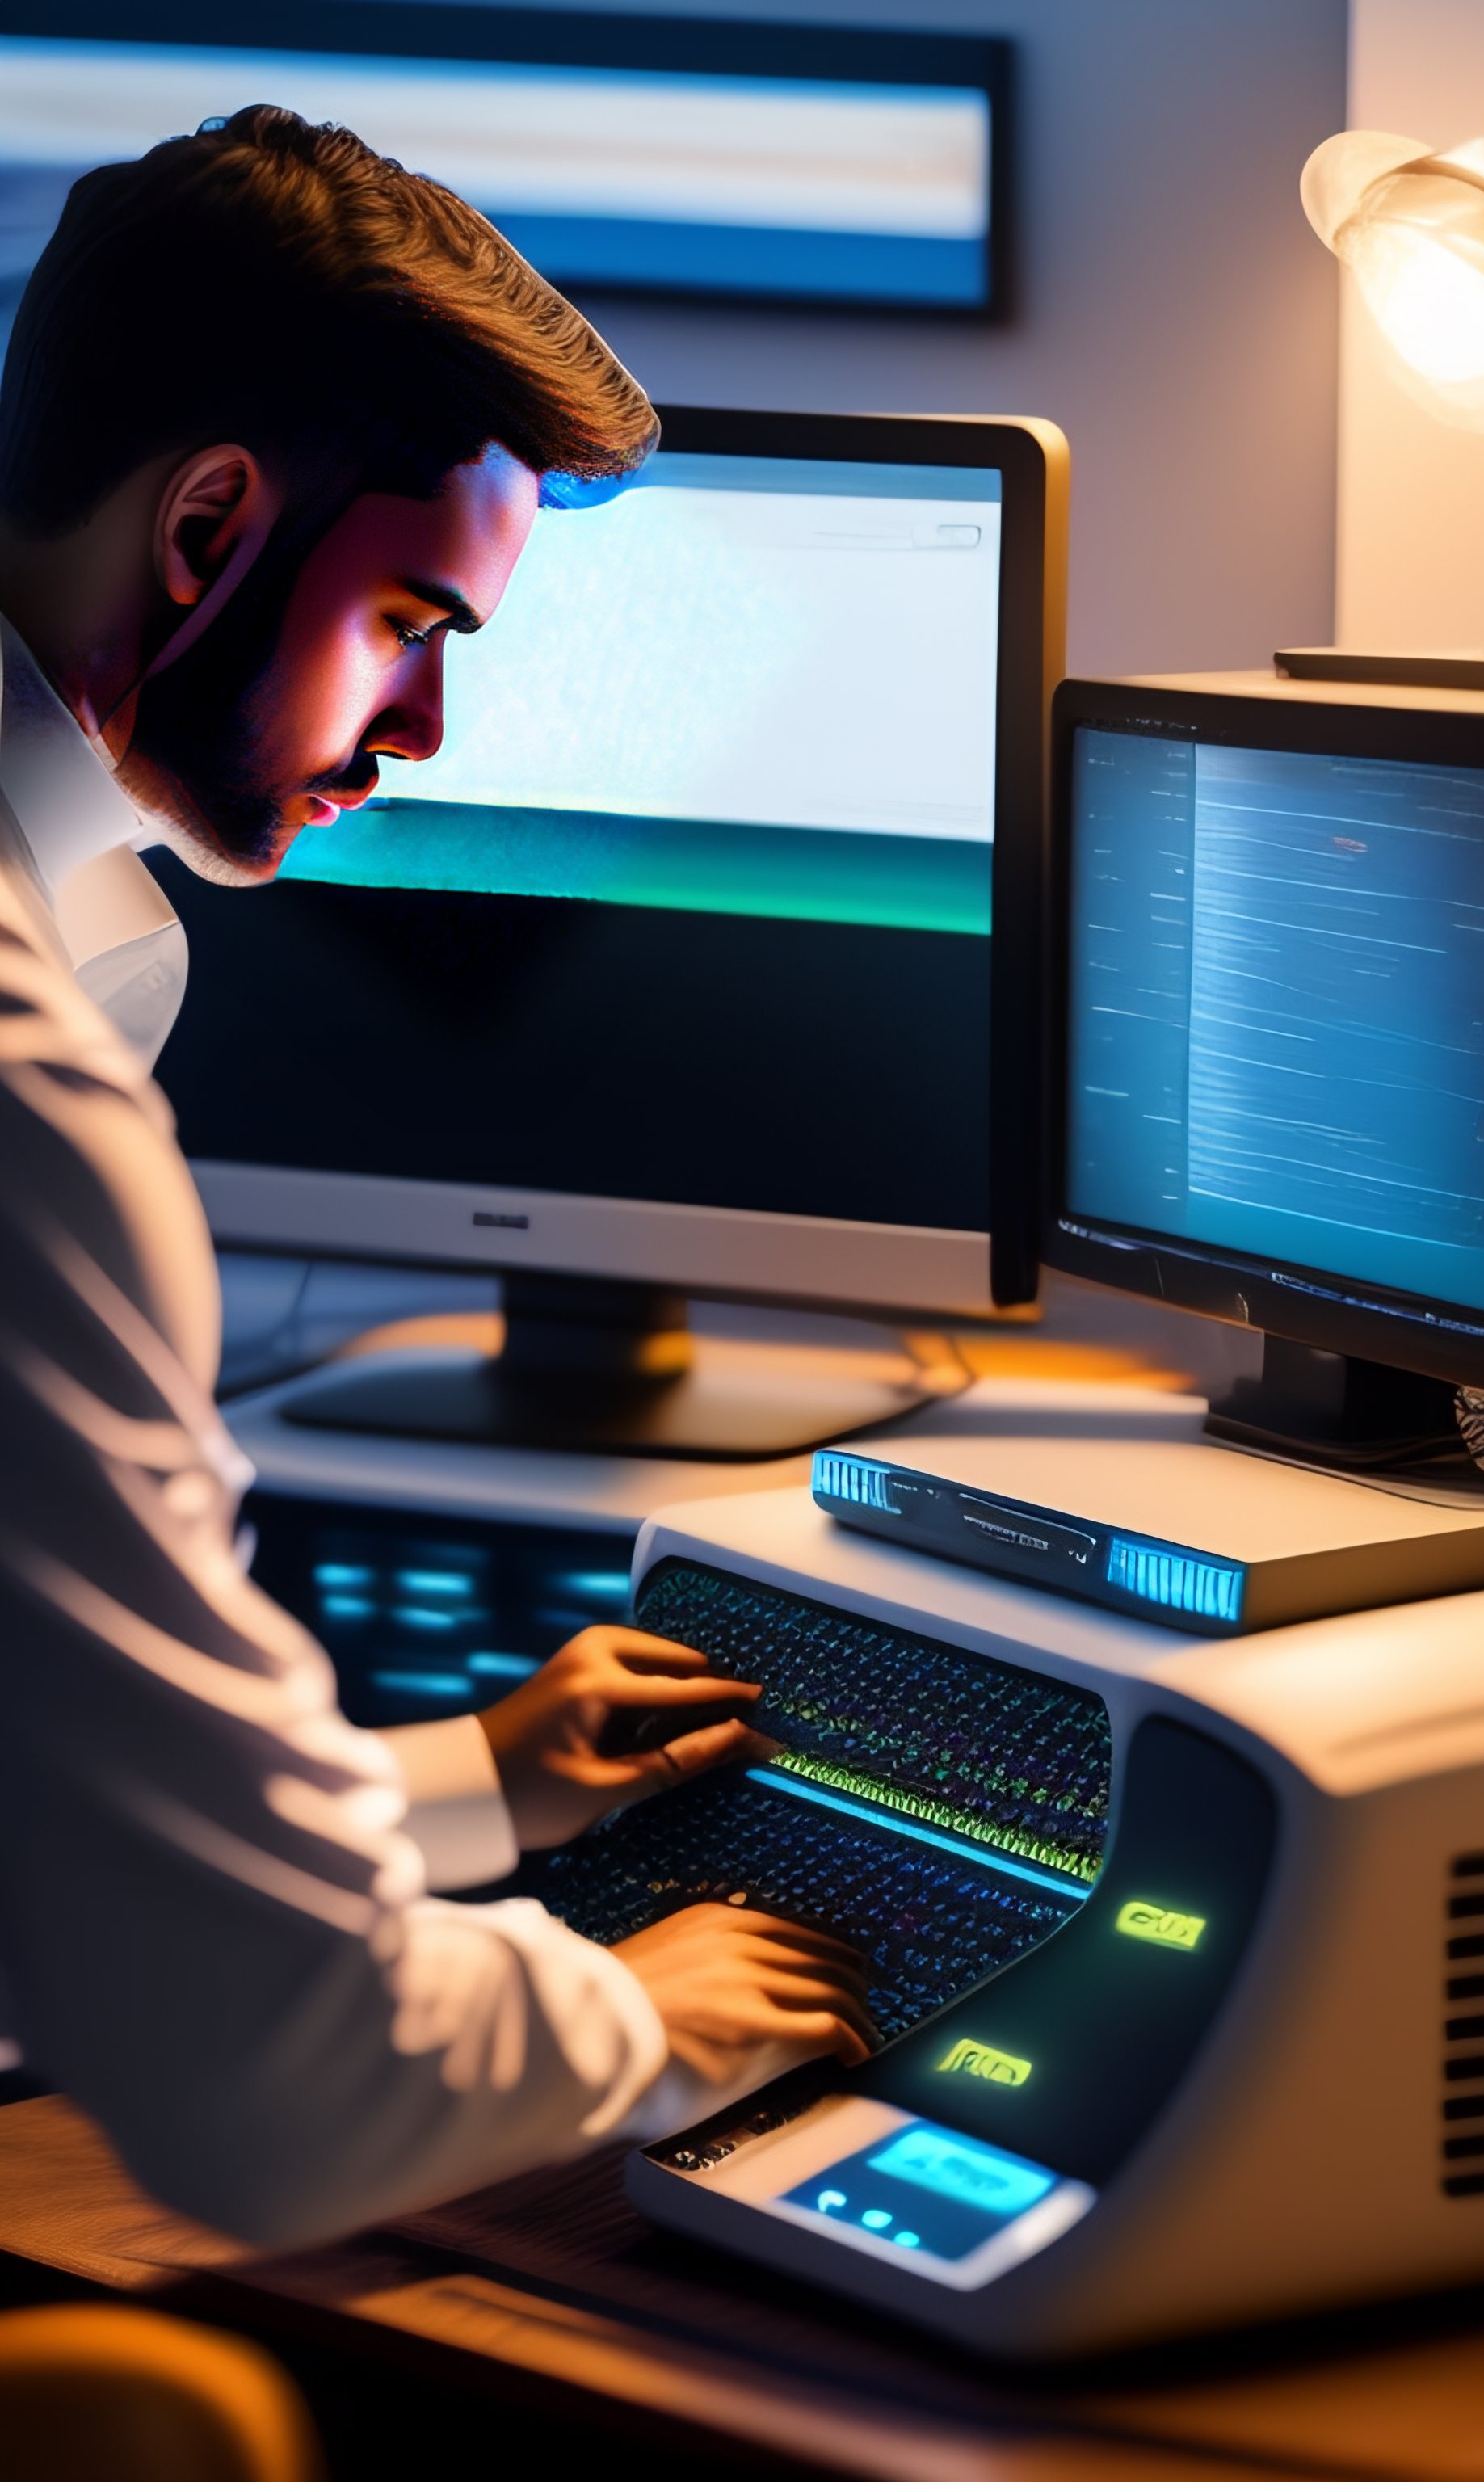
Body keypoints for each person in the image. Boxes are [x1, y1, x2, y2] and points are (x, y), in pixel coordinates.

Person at [0, 107, 872, 2250]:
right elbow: (273, 2076)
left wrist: (473, 1782)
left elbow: (53, 1838)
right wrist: (642, 2012)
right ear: (209, 523)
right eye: (412, 621)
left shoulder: (81, 958)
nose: (424, 734)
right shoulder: (31, 1096)